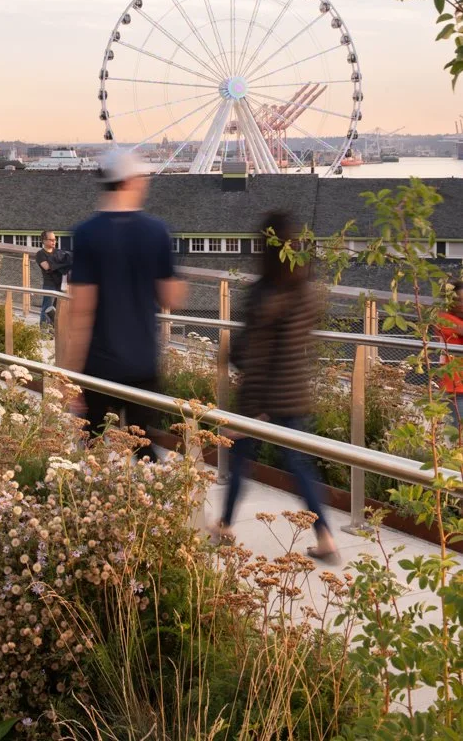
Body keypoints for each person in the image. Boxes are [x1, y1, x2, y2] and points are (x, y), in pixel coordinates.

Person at [215, 210, 339, 563]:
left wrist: (254, 406)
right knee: (299, 466)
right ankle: (326, 536)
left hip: (261, 393)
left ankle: (224, 526)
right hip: (295, 392)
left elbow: (255, 351)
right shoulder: (305, 291)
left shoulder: (264, 294)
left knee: (240, 459)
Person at [66, 149, 187, 451]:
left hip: (98, 364)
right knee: (143, 449)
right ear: (130, 181)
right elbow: (172, 296)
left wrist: (69, 374)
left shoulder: (86, 234)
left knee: (90, 449)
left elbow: (81, 310)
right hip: (142, 362)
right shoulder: (157, 231)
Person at [435, 280, 463, 432]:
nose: (462, 304)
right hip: (456, 389)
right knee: (459, 435)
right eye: (459, 300)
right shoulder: (444, 319)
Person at [35, 230, 72, 328]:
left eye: (54, 239)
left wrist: (55, 265)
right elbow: (47, 267)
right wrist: (62, 265)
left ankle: (53, 329)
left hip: (60, 284)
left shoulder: (59, 252)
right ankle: (43, 329)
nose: (53, 241)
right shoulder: (40, 254)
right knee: (47, 307)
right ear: (44, 240)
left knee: (58, 309)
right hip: (49, 284)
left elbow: (68, 263)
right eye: (51, 240)